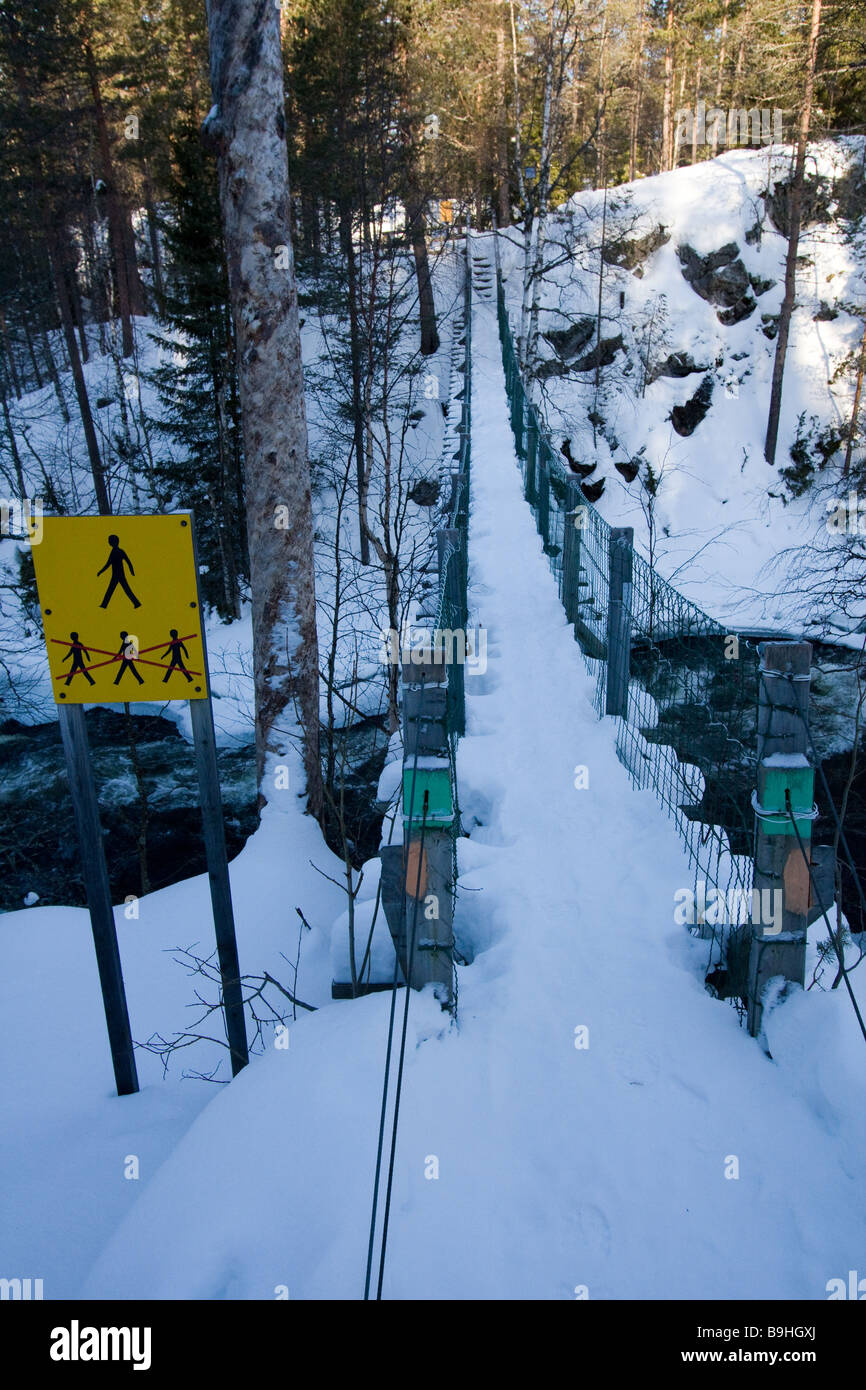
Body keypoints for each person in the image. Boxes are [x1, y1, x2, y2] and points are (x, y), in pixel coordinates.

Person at [98, 535, 141, 609]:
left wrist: (100, 572)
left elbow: (108, 564)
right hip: (118, 575)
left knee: (112, 590)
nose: (109, 542)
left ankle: (104, 605)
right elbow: (128, 562)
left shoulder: (116, 552)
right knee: (123, 589)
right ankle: (136, 603)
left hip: (117, 575)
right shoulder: (119, 551)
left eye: (110, 541)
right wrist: (131, 571)